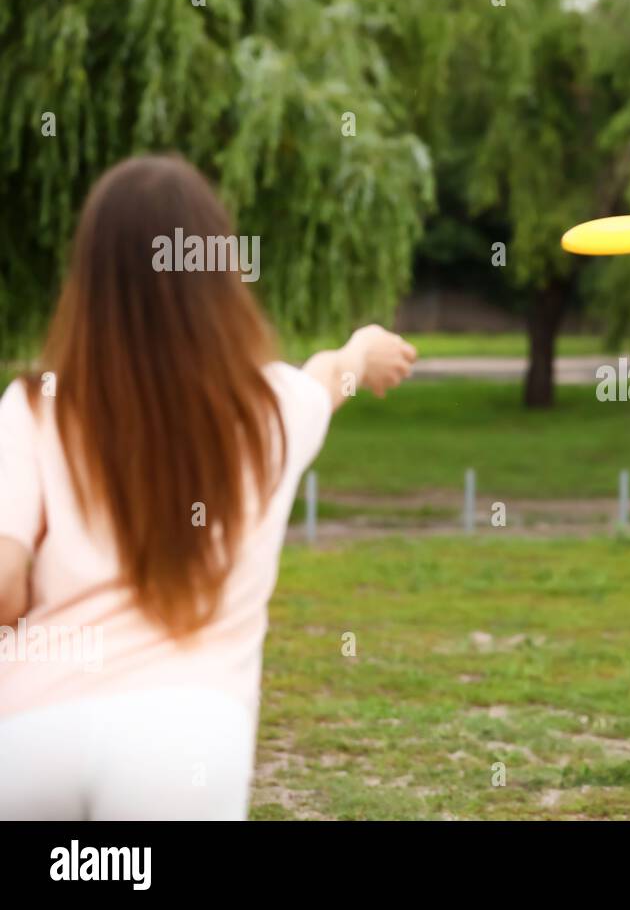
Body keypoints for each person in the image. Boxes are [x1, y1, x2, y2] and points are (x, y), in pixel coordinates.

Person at [0, 154, 417, 819]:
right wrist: (364, 351)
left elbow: (4, 585)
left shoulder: (34, 406)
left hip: (30, 739)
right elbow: (327, 374)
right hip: (184, 743)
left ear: (89, 280)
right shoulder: (271, 409)